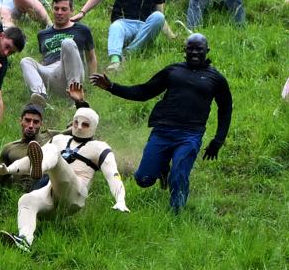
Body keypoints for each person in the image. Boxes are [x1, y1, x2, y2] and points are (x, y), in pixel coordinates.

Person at [91, 33, 232, 214]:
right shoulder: (173, 71)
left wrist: (218, 141)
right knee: (143, 179)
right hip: (163, 131)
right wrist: (112, 87)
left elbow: (225, 109)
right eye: (191, 48)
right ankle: (162, 170)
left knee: (179, 174)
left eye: (199, 49)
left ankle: (176, 214)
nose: (195, 52)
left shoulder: (216, 79)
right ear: (184, 50)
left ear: (207, 51)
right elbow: (144, 91)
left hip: (190, 135)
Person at [0, 107, 129, 252]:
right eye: (76, 122)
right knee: (26, 200)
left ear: (94, 127)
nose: (78, 127)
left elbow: (113, 175)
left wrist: (120, 200)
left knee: (53, 152)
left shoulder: (99, 147)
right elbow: (31, 158)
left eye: (85, 124)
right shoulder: (59, 140)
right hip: (52, 193)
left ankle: (39, 169)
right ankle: (24, 240)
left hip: (75, 195)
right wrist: (8, 169)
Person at [20, 0, 95, 104]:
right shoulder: (42, 34)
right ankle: (41, 95)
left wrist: (93, 82)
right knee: (25, 61)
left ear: (71, 10)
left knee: (67, 43)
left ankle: (75, 97)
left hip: (72, 71)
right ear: (52, 10)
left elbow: (91, 58)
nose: (59, 12)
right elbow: (45, 59)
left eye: (64, 9)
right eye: (56, 9)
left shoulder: (82, 30)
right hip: (52, 73)